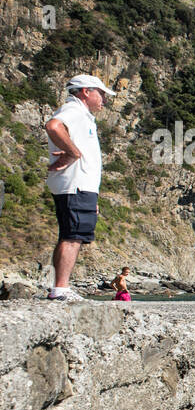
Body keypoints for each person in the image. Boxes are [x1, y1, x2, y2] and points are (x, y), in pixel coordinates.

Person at [45, 74, 115, 301]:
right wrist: (73, 153)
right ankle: (61, 289)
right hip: (75, 185)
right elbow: (53, 126)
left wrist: (92, 198)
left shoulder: (83, 116)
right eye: (101, 94)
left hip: (81, 186)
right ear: (86, 91)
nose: (104, 99)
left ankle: (61, 287)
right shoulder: (74, 111)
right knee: (72, 235)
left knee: (73, 234)